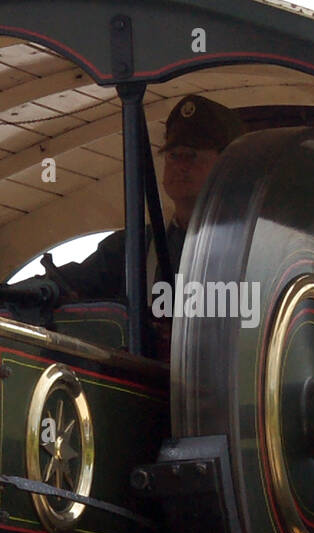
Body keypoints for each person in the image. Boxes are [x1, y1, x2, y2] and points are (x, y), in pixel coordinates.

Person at [55, 94, 246, 359]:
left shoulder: (255, 251)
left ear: (229, 165)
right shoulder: (130, 248)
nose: (179, 165)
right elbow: (62, 285)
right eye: (172, 156)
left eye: (191, 156)